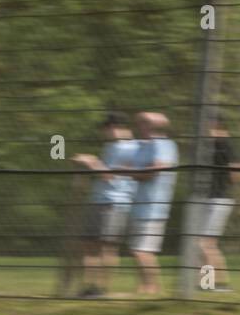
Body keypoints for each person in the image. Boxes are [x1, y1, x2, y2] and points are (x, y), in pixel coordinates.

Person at [71, 112, 138, 297]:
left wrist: (91, 161)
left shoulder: (131, 148)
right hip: (98, 199)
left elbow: (110, 175)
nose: (105, 133)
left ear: (114, 127)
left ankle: (101, 287)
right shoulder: (111, 147)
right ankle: (89, 286)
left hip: (115, 201)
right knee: (88, 244)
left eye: (106, 129)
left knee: (106, 246)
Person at [128, 112, 179, 296]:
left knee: (142, 250)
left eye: (144, 123)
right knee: (138, 250)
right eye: (140, 123)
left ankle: (152, 288)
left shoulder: (163, 144)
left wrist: (132, 173)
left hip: (153, 206)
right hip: (140, 204)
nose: (140, 126)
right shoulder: (143, 146)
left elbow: (156, 170)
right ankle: (146, 287)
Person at [198, 115, 240, 292]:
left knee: (204, 244)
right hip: (209, 199)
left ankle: (208, 284)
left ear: (215, 125)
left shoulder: (225, 144)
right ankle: (221, 284)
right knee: (208, 245)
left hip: (219, 199)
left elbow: (238, 173)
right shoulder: (211, 146)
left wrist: (224, 179)